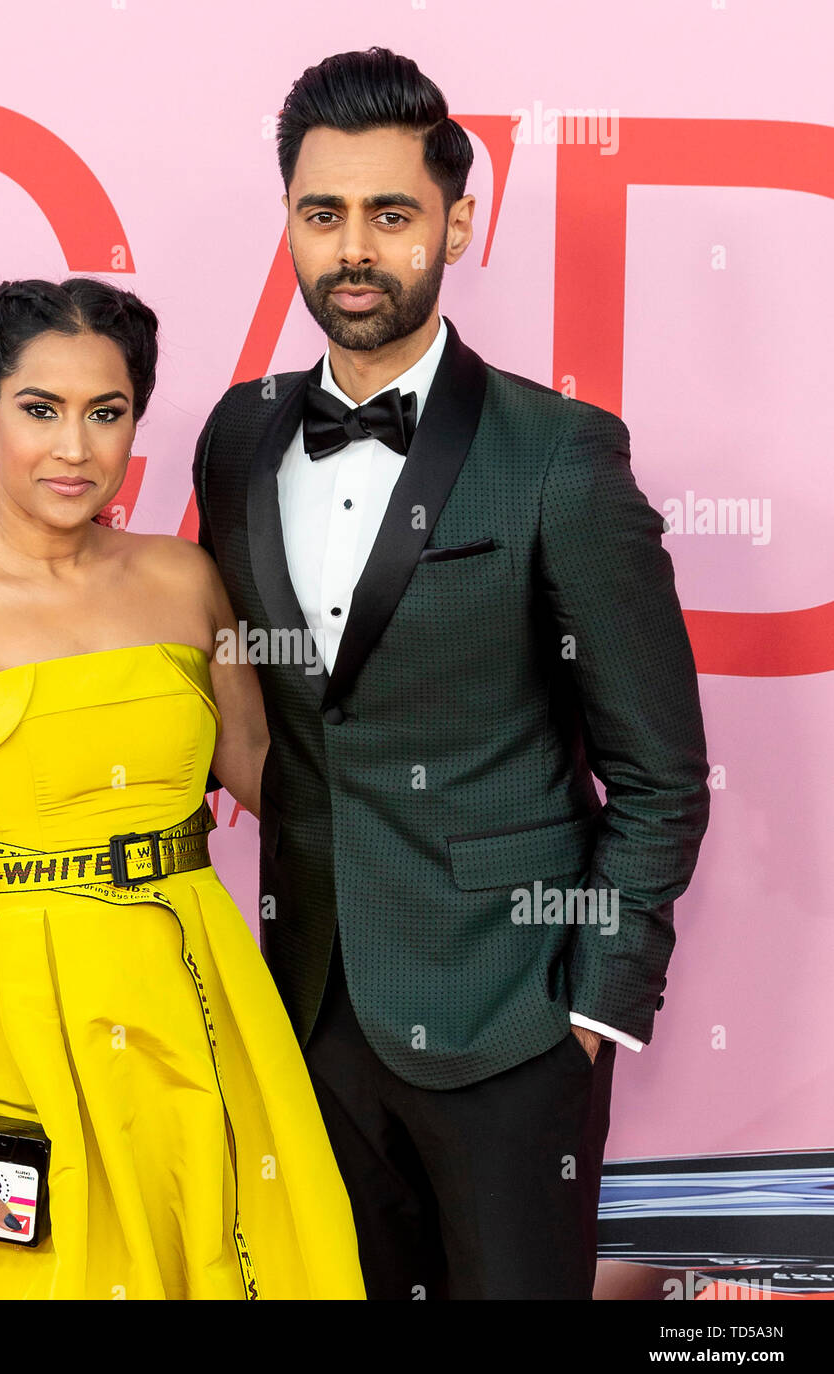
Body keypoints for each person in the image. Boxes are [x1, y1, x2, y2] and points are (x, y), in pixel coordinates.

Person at [190, 48, 711, 1299]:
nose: (353, 248)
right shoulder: (236, 433)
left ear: (456, 223)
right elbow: (235, 692)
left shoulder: (559, 458)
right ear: (289, 226)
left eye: (389, 213)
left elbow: (660, 772)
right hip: (308, 1015)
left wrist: (596, 1004)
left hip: (510, 1018)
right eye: (323, 215)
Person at [0, 276, 365, 1300]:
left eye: (106, 412)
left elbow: (263, 770)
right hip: (9, 1010)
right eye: (39, 410)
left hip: (193, 980)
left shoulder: (183, 580)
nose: (74, 449)